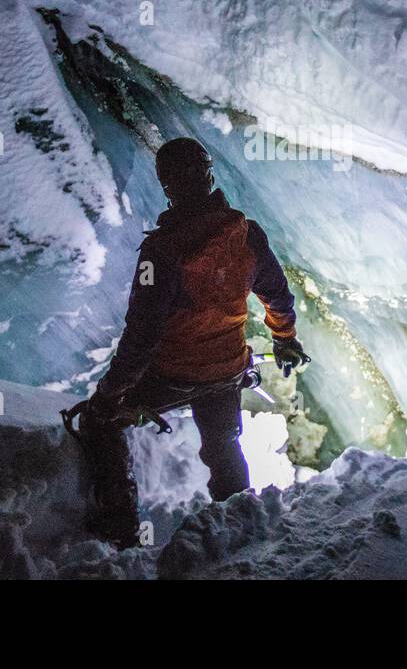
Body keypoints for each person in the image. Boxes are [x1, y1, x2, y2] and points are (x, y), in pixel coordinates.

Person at [72, 137, 309, 548]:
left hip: (172, 375)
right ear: (209, 175)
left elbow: (142, 335)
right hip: (229, 368)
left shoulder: (160, 252)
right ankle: (239, 522)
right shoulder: (247, 235)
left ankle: (121, 526)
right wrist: (285, 338)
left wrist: (112, 394)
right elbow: (276, 294)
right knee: (222, 442)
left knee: (100, 421)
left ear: (166, 185)